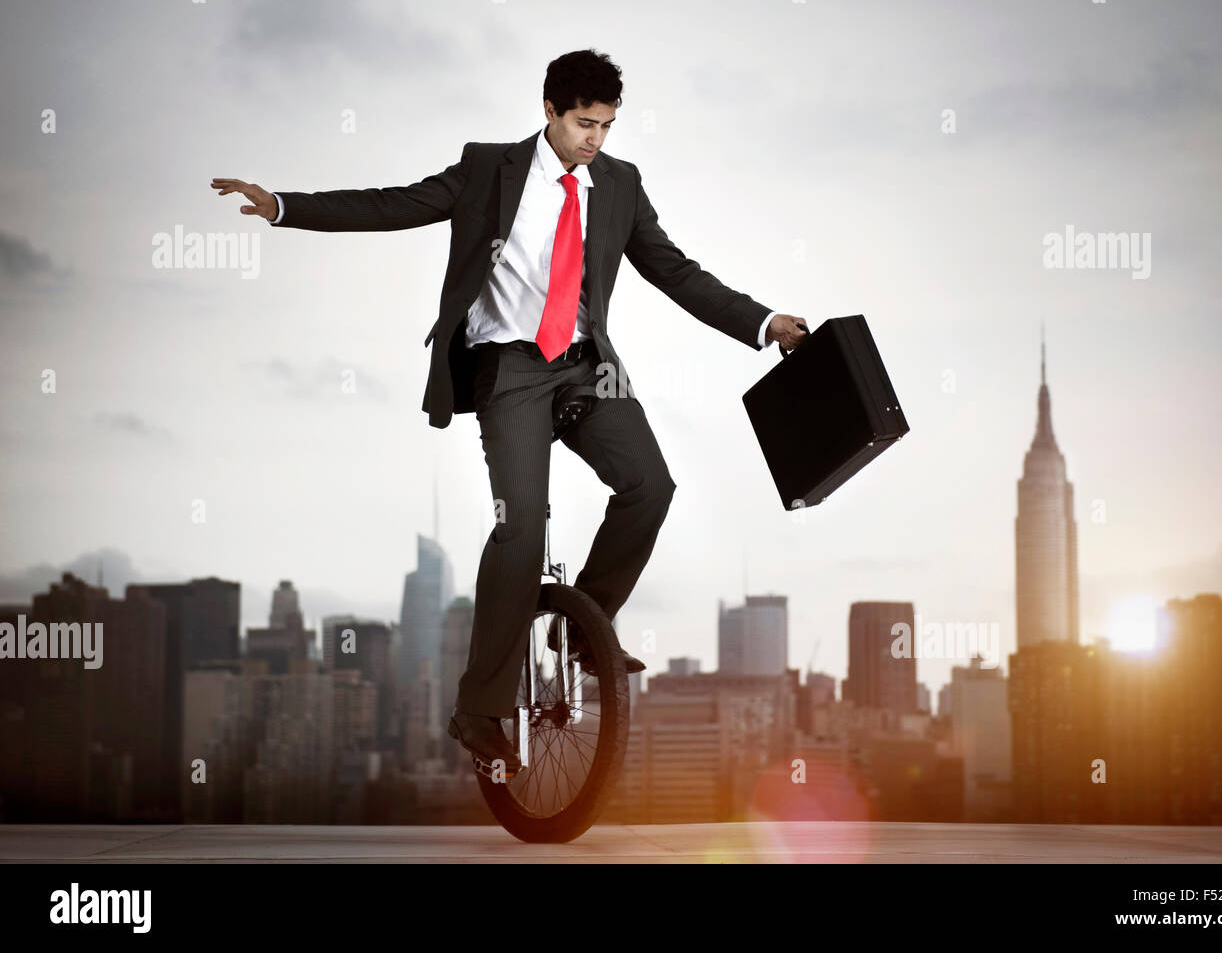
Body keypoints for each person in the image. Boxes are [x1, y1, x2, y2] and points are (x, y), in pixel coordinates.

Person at [212, 48, 808, 773]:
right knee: (520, 529)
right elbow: (394, 204)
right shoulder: (488, 170)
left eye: (608, 126)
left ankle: (583, 633)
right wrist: (284, 207)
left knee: (653, 486)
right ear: (549, 111)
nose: (596, 140)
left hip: (588, 370)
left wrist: (763, 321)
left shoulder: (618, 185)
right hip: (511, 369)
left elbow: (676, 271)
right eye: (585, 123)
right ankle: (479, 708)